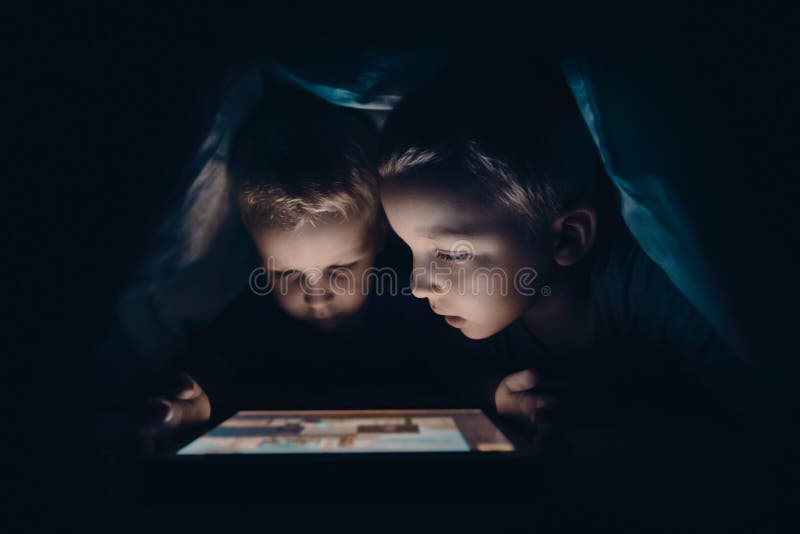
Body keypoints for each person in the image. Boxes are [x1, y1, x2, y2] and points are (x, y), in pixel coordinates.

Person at [376, 54, 772, 433]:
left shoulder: (650, 288)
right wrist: (497, 396)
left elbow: (765, 403)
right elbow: (447, 379)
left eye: (450, 253)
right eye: (411, 249)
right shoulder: (469, 315)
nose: (419, 284)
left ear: (567, 237)